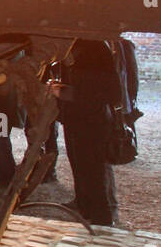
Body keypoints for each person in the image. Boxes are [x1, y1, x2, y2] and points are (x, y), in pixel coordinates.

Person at [51, 39, 120, 226]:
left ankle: (101, 218)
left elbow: (105, 91)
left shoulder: (96, 48)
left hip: (92, 121)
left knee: (93, 170)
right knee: (80, 165)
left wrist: (62, 92)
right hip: (75, 118)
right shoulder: (75, 46)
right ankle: (85, 207)